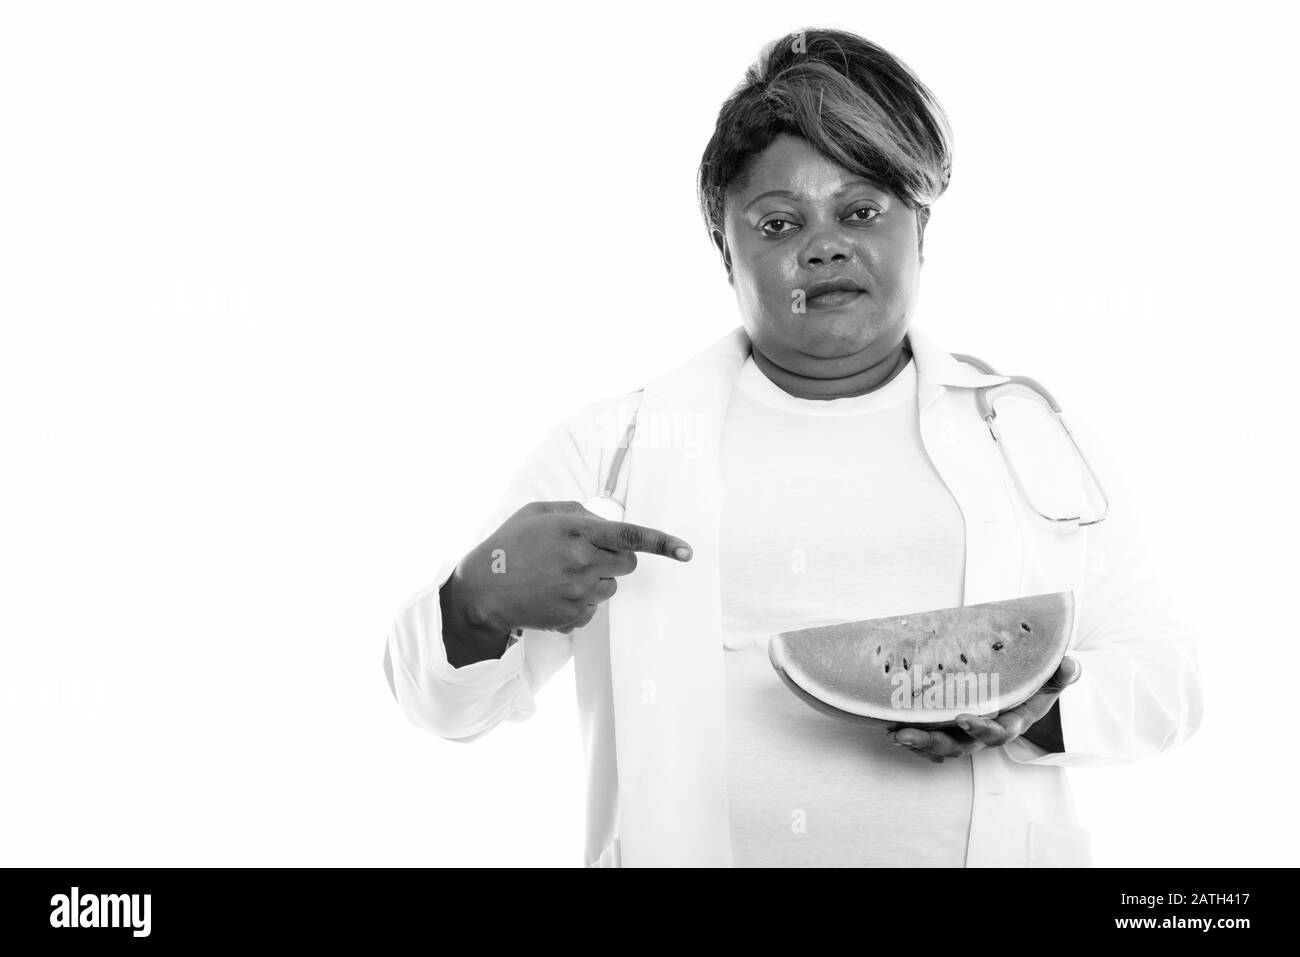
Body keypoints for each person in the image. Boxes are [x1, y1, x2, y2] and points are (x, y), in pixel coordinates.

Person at [383, 27, 1203, 867]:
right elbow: (440, 706)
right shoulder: (611, 449)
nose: (824, 244)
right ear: (724, 250)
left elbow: (1169, 678)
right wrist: (477, 597)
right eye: (778, 222)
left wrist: (1042, 706)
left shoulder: (1034, 438)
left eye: (861, 211)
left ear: (920, 228)